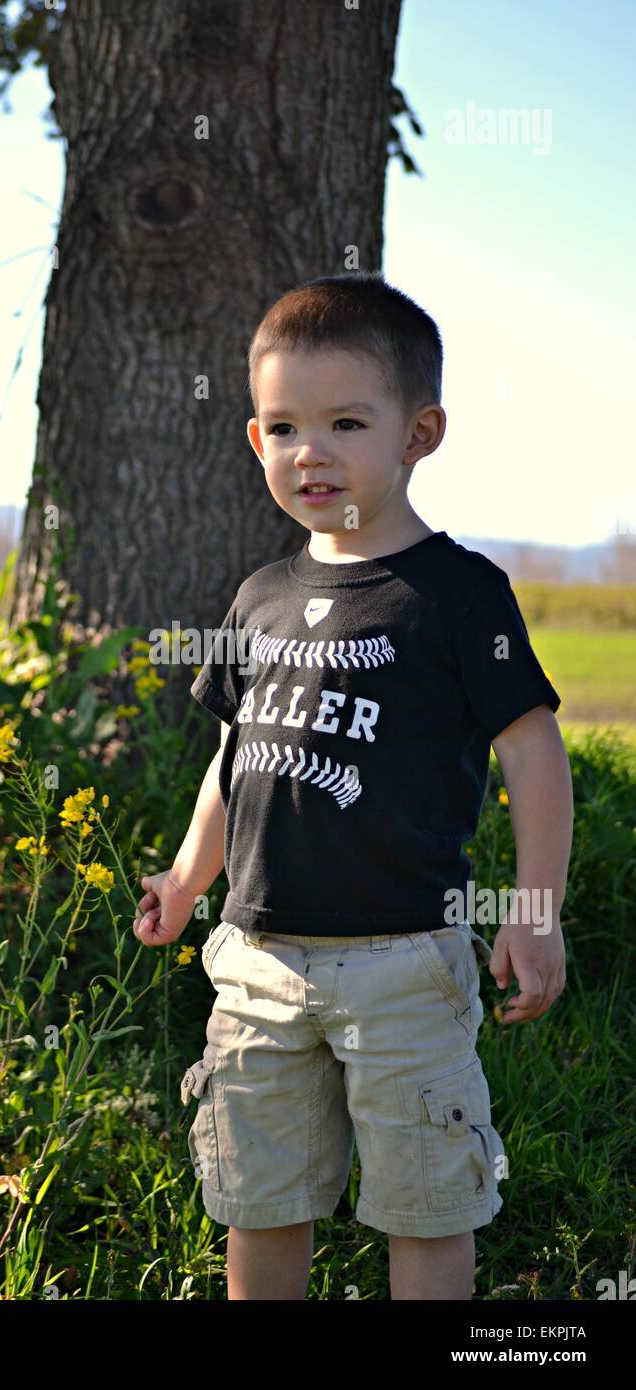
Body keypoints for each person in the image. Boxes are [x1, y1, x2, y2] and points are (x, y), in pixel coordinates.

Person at [133, 271, 573, 1300]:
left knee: (426, 1201)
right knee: (258, 1196)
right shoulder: (259, 596)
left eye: (344, 421)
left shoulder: (456, 594)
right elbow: (235, 754)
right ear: (253, 440)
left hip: (403, 964)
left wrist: (534, 910)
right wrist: (190, 878)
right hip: (255, 964)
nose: (309, 452)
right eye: (283, 426)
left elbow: (531, 748)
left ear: (418, 433)